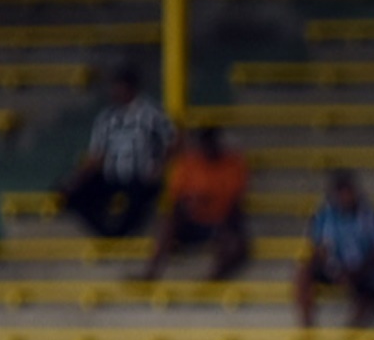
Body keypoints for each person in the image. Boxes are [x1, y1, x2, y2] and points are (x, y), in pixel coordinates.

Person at [58, 65, 174, 239]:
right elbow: (97, 154)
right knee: (72, 195)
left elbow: (173, 140)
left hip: (141, 177)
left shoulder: (151, 113)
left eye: (117, 86)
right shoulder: (106, 118)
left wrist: (160, 167)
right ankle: (105, 231)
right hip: (112, 175)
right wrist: (75, 178)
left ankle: (123, 234)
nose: (113, 91)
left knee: (139, 199)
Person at [141, 126, 249, 282]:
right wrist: (193, 202)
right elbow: (177, 197)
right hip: (192, 220)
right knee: (168, 222)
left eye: (211, 145)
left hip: (222, 221)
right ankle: (151, 273)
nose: (207, 150)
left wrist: (205, 199)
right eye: (204, 146)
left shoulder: (233, 163)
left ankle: (214, 278)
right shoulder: (189, 162)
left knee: (232, 239)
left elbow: (234, 198)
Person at [294, 170, 374, 329]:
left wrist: (357, 271)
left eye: (349, 192)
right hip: (336, 266)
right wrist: (334, 269)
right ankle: (306, 325)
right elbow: (319, 247)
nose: (346, 197)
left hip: (363, 267)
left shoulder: (369, 214)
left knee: (370, 281)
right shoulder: (324, 215)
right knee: (303, 271)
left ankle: (356, 324)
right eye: (341, 193)